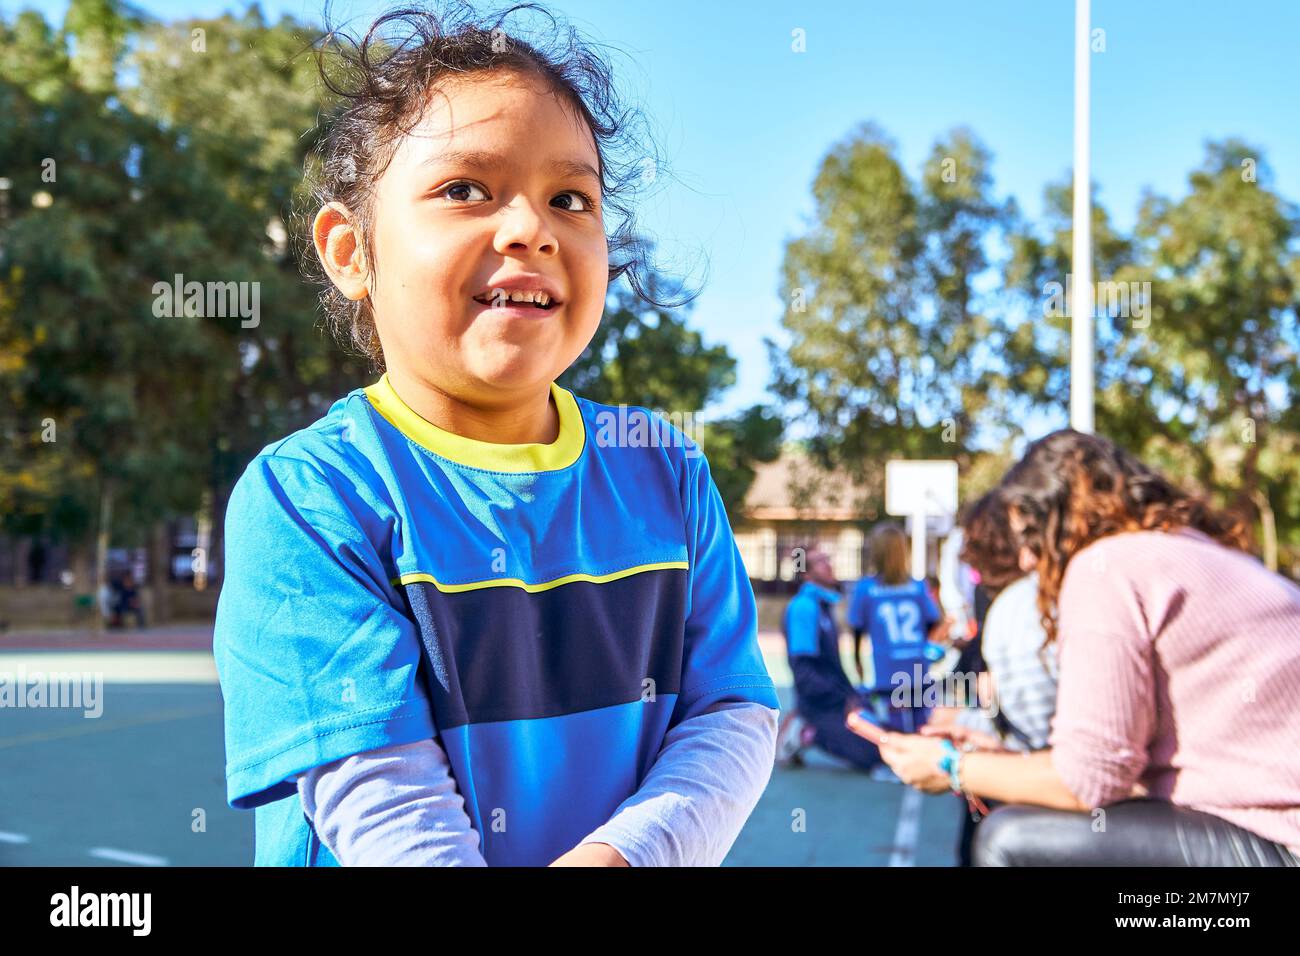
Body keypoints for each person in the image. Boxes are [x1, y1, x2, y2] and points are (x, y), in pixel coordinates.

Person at [212, 5, 779, 868]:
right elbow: (387, 811)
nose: (530, 228)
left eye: (570, 198)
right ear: (349, 250)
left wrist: (623, 855)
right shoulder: (310, 496)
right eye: (465, 189)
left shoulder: (665, 468)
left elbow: (732, 713)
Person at [863, 429, 1300, 866]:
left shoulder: (1104, 566)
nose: (1027, 562)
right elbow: (1119, 764)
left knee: (1008, 837)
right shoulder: (1192, 547)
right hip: (1268, 829)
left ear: (1064, 520)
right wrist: (1008, 759)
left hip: (1278, 842)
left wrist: (951, 765)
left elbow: (1088, 784)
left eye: (1031, 538)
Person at [776, 546, 880, 771]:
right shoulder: (804, 608)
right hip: (820, 704)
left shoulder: (823, 605)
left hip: (833, 697)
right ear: (805, 573)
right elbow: (804, 672)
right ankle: (806, 730)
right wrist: (842, 699)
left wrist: (852, 694)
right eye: (821, 562)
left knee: (881, 734)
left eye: (827, 559)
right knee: (871, 756)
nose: (829, 565)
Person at [848, 524, 949, 709]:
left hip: (887, 675)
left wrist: (858, 665)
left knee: (891, 733)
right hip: (918, 673)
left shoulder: (865, 589)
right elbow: (935, 621)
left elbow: (856, 630)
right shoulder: (918, 587)